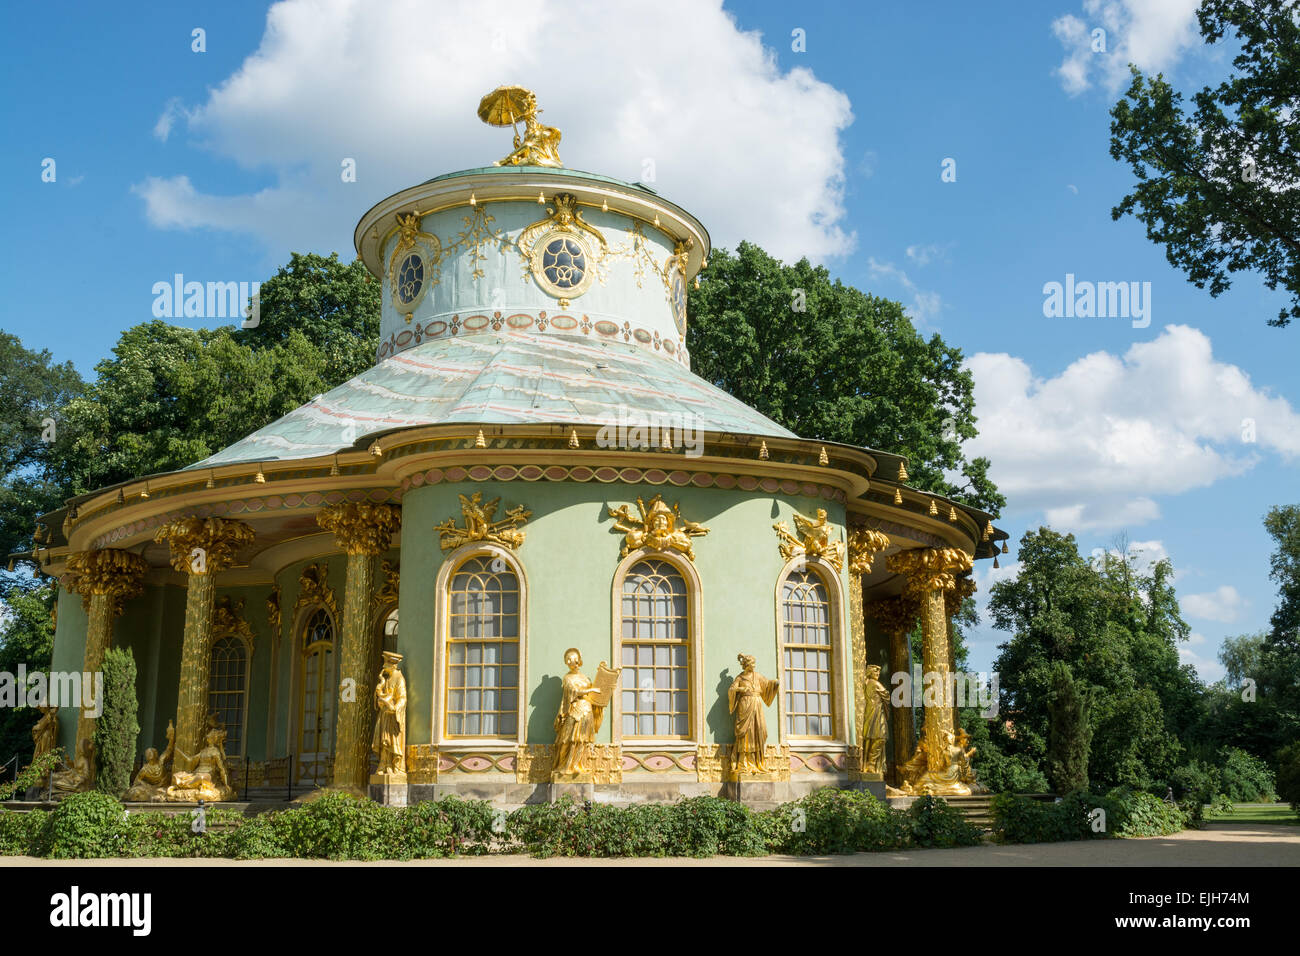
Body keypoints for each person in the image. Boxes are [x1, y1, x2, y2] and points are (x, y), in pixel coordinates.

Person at [553, 648, 602, 776]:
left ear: (578, 660)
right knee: (566, 739)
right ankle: (563, 765)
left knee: (582, 740)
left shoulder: (584, 677)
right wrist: (591, 690)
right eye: (567, 659)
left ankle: (577, 765)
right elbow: (573, 692)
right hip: (574, 710)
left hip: (587, 710)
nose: (569, 661)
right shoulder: (567, 678)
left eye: (572, 658)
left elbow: (594, 692)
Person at [728, 654, 779, 774]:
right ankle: (743, 763)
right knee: (746, 733)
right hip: (745, 705)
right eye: (752, 664)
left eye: (755, 664)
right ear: (746, 665)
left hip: (757, 706)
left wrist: (775, 683)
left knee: (759, 731)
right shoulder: (740, 678)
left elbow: (767, 685)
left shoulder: (758, 676)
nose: (754, 666)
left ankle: (758, 762)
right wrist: (740, 690)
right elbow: (731, 689)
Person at [372, 652, 407, 776]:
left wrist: (395, 707)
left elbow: (402, 697)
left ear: (393, 665)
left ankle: (394, 766)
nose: (383, 667)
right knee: (384, 741)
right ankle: (384, 764)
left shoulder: (399, 678)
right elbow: (381, 695)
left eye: (386, 664)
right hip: (385, 714)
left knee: (391, 741)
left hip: (392, 715)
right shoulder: (387, 679)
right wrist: (380, 683)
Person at [860, 665, 889, 774]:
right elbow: (886, 694)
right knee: (881, 737)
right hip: (875, 714)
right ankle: (871, 763)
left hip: (873, 712)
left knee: (875, 737)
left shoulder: (869, 682)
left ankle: (871, 763)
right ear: (870, 673)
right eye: (875, 673)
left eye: (878, 674)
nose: (878, 675)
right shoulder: (874, 683)